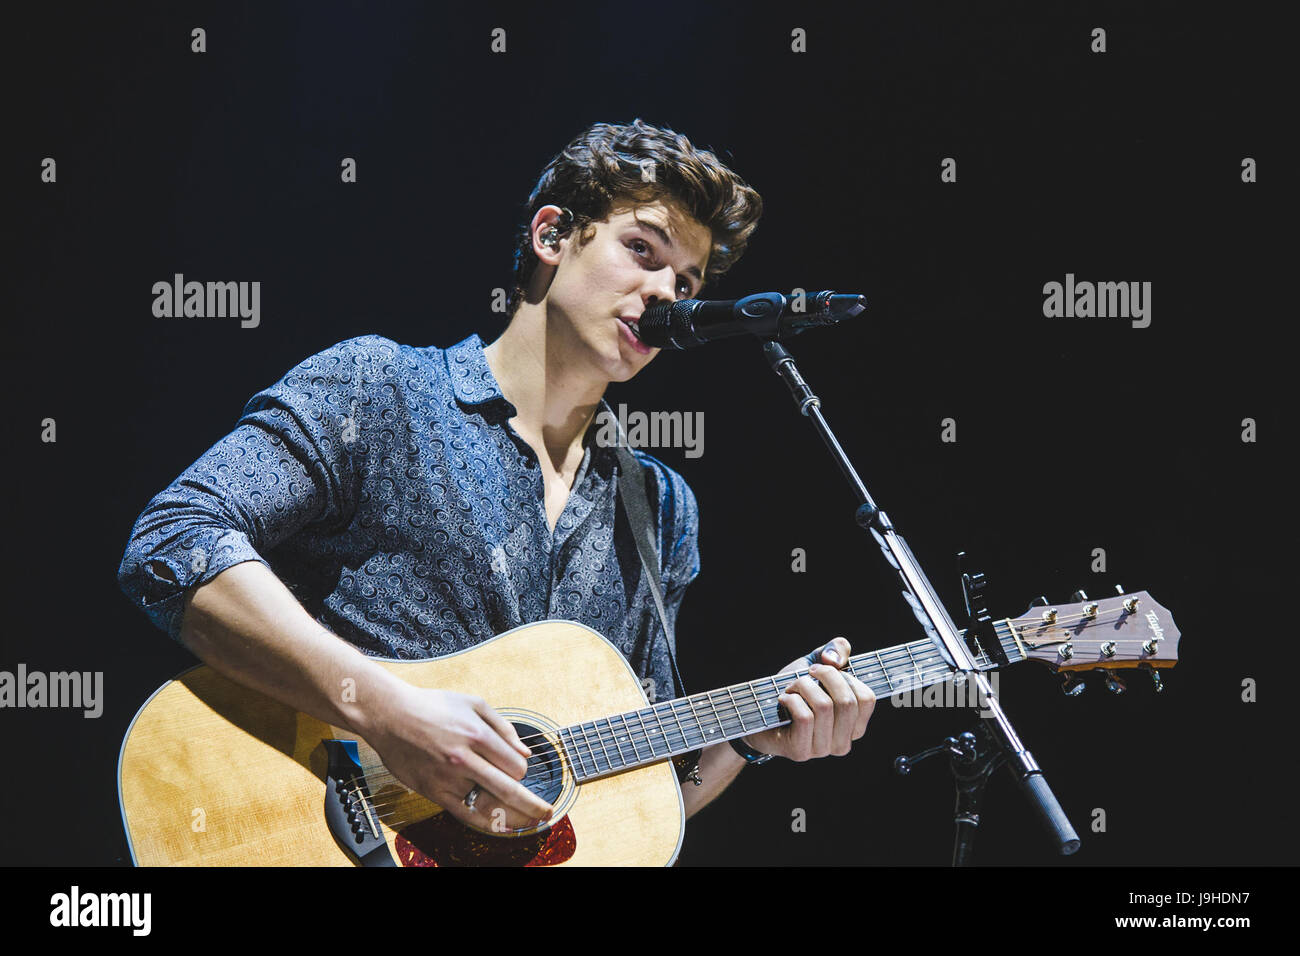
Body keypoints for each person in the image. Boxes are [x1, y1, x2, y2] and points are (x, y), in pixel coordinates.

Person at [117, 118, 875, 842]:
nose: (666, 296)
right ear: (552, 236)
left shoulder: (662, 510)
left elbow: (634, 796)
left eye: (686, 282)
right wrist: (387, 712)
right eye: (643, 251)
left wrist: (748, 740)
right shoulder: (380, 390)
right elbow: (172, 542)